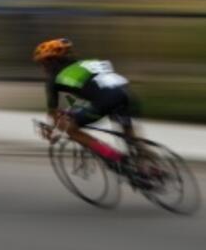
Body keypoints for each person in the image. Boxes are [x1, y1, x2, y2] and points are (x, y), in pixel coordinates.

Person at [33, 38, 139, 171]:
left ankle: (112, 156)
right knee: (132, 141)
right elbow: (94, 89)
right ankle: (149, 167)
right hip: (125, 94)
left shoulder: (54, 80)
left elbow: (53, 115)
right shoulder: (89, 62)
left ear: (51, 61)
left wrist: (52, 132)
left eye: (43, 63)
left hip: (107, 100)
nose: (43, 68)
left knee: (69, 128)